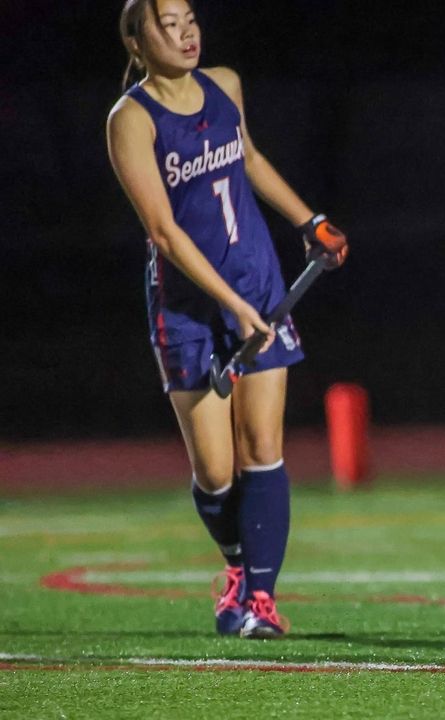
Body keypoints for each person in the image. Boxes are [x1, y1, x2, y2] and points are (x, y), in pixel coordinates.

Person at [106, 0, 347, 638]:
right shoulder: (131, 118)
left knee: (263, 448)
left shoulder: (226, 84)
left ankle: (260, 600)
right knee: (215, 472)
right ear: (137, 41)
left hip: (258, 283)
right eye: (168, 25)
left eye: (190, 20)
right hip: (187, 306)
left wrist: (310, 221)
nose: (186, 33)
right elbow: (163, 231)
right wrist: (232, 308)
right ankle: (238, 568)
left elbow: (249, 158)